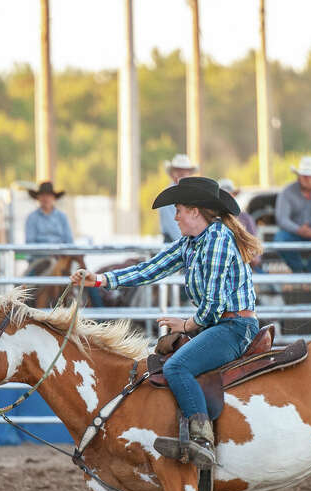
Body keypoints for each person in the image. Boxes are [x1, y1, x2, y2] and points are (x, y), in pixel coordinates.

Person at [71, 176, 261, 469]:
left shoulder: (218, 240)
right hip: (220, 325)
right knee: (167, 360)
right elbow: (152, 268)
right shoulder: (192, 243)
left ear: (195, 212)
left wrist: (186, 325)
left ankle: (201, 441)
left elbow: (212, 305)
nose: (175, 217)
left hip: (235, 327)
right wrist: (101, 279)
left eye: (179, 210)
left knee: (176, 366)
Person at [219, 179, 263, 269]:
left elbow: (253, 241)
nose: (227, 199)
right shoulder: (211, 217)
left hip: (244, 261)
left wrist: (252, 256)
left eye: (229, 195)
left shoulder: (245, 217)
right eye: (223, 196)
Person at [159, 154, 198, 242]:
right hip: (175, 242)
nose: (182, 173)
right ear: (172, 174)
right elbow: (173, 228)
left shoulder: (192, 194)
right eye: (179, 170)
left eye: (185, 171)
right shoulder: (167, 195)